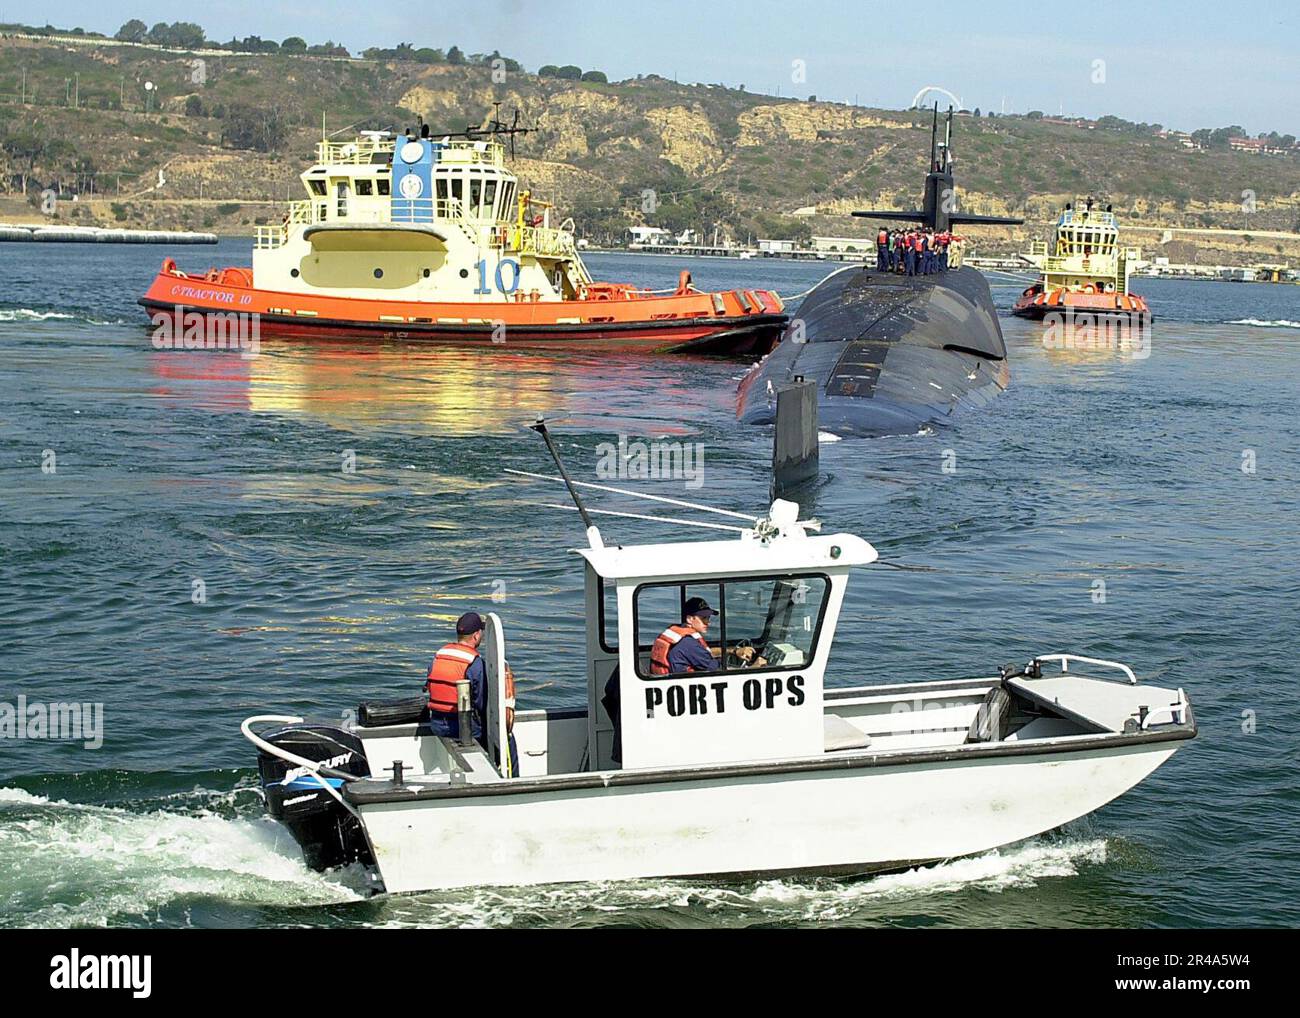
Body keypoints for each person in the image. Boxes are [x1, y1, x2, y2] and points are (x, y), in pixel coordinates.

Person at [426, 611, 519, 775]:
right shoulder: (475, 664)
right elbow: (483, 705)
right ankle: (512, 781)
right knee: (508, 741)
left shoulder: (439, 655)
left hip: (437, 724)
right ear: (476, 636)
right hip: (462, 730)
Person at [650, 596, 719, 675]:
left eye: (708, 618)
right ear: (689, 619)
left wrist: (729, 651)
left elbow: (701, 653)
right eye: (703, 618)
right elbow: (714, 667)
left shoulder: (679, 636)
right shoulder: (688, 643)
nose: (707, 622)